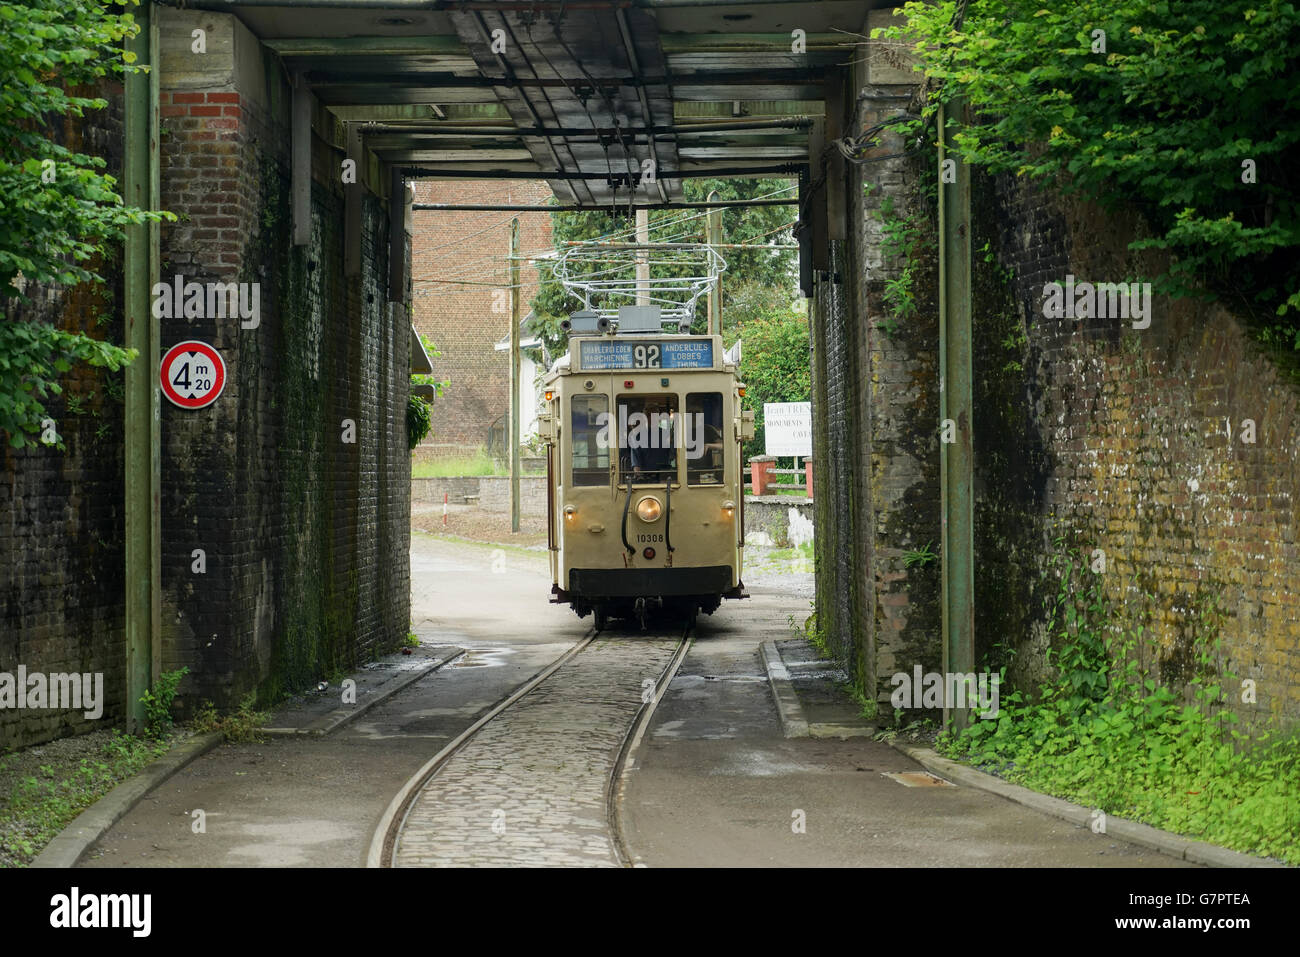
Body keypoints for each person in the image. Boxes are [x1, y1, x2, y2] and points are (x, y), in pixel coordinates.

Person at [629, 397, 675, 482]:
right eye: (649, 415)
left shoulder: (667, 434)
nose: (652, 418)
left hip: (665, 477)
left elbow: (674, 454)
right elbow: (636, 464)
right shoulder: (637, 436)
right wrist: (639, 476)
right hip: (645, 478)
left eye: (655, 415)